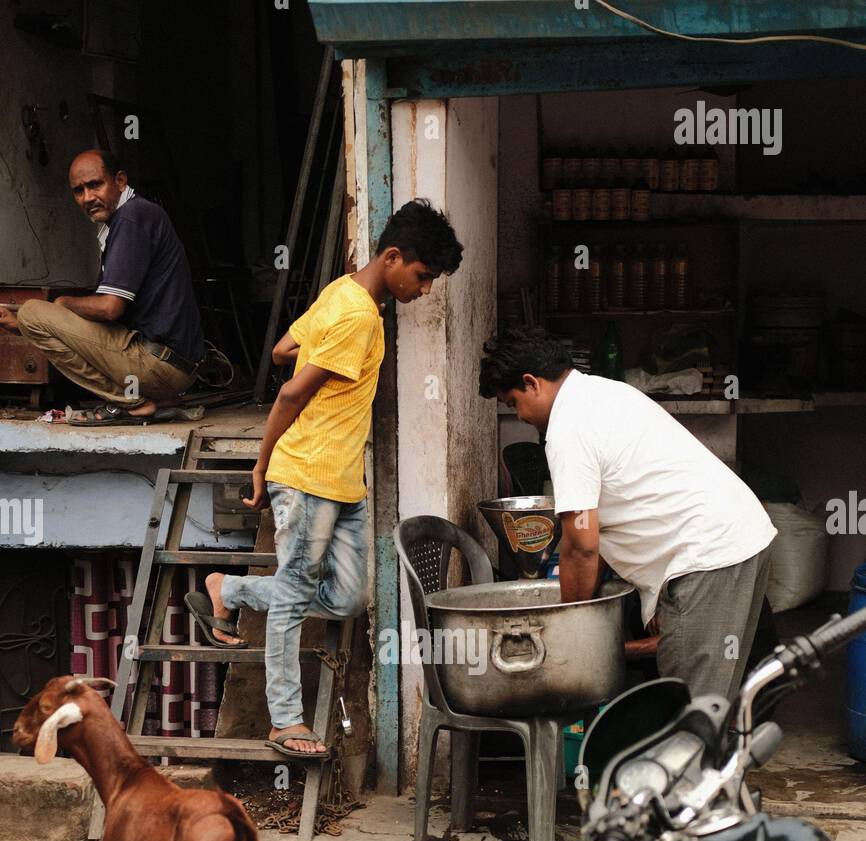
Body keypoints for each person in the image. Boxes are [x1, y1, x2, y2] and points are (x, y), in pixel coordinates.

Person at [189, 199, 464, 756]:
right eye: (423, 275)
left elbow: (284, 348)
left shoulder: (342, 294)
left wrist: (319, 352)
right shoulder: (358, 313)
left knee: (345, 598)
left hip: (343, 481)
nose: (426, 289)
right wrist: (262, 464)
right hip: (308, 473)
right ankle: (285, 720)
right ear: (392, 257)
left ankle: (230, 589)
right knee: (293, 599)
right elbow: (290, 387)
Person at [479, 327, 777, 700]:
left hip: (707, 557)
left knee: (689, 711)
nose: (519, 416)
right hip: (739, 539)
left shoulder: (567, 428)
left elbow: (582, 547)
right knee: (715, 704)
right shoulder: (604, 392)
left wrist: (569, 629)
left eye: (513, 403)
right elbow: (606, 526)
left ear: (531, 382)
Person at [0, 149, 204, 423]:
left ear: (120, 181)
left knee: (33, 312)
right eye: (78, 191)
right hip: (172, 368)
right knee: (30, 318)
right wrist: (21, 326)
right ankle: (145, 397)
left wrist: (60, 305)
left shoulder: (131, 217)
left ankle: (130, 402)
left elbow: (110, 309)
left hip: (160, 366)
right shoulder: (131, 217)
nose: (88, 198)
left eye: (95, 185)